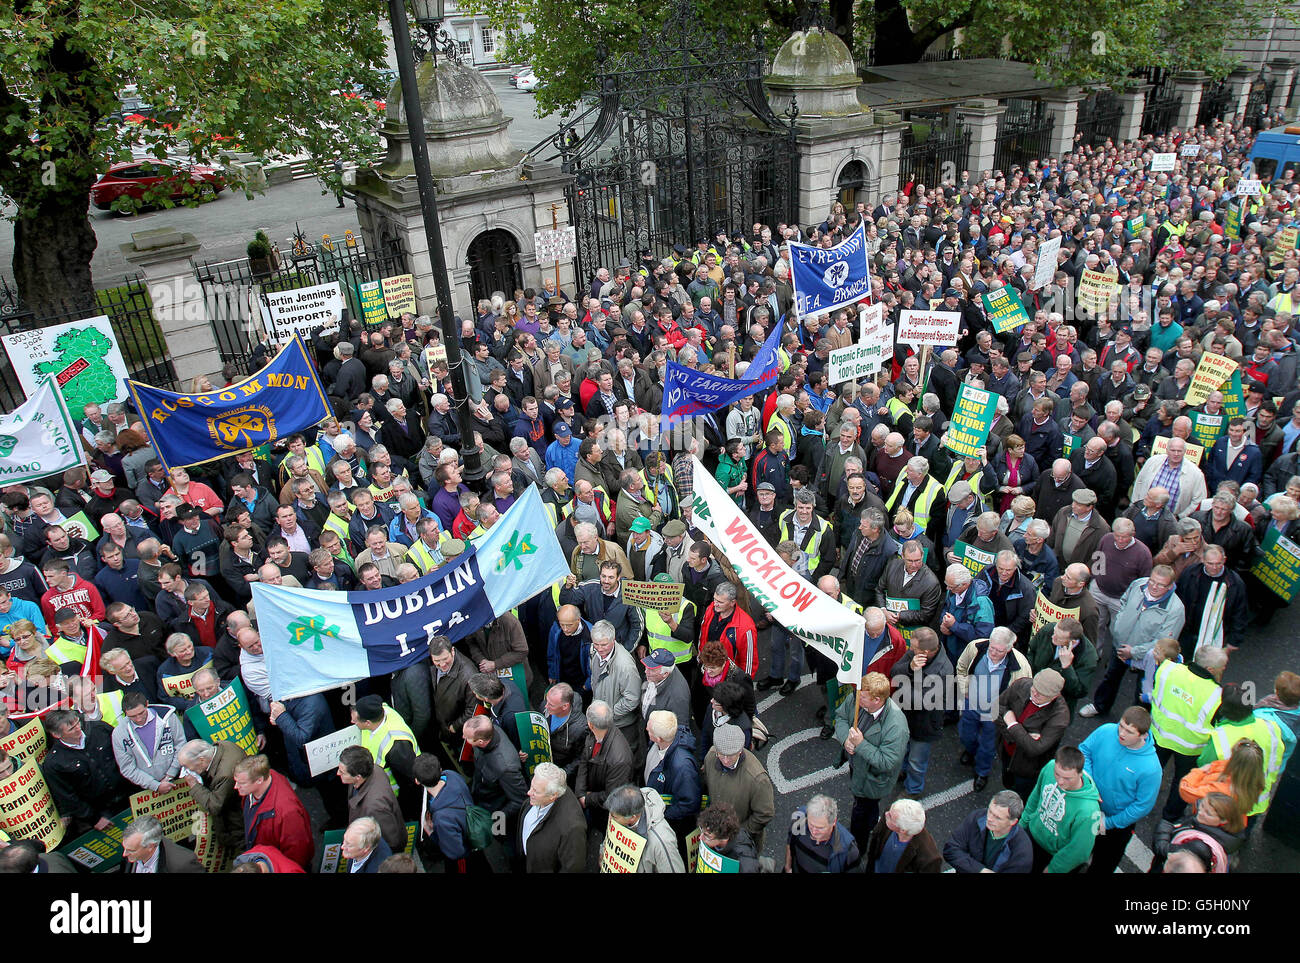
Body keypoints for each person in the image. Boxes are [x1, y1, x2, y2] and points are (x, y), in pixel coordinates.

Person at [1080, 566, 1185, 719]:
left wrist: (1134, 652)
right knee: (1110, 678)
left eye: (1161, 585)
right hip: (1120, 646)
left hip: (1148, 658)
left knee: (1142, 691)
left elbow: (1164, 642)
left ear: (1170, 586)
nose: (1154, 587)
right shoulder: (1138, 585)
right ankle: (1099, 705)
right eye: (1152, 581)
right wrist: (1118, 628)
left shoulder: (1176, 609)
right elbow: (1123, 602)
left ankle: (1134, 722)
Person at [1079, 706, 1163, 874]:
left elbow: (1142, 806)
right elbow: (1085, 750)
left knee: (1102, 865)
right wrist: (1090, 783)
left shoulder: (1151, 768)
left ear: (1144, 735)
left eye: (1129, 732)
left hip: (1114, 825)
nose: (1121, 734)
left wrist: (1107, 823)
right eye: (1121, 726)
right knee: (1075, 853)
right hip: (1087, 807)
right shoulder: (1106, 731)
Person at [834, 671, 908, 850]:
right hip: (858, 768)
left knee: (863, 811)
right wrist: (845, 740)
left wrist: (859, 745)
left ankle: (858, 847)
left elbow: (887, 761)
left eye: (864, 697)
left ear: (877, 700)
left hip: (873, 780)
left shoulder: (896, 727)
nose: (858, 698)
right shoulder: (857, 698)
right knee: (861, 805)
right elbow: (841, 717)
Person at [956, 626, 1032, 791]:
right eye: (991, 648)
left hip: (995, 712)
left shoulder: (1021, 666)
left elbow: (1023, 695)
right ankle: (970, 750)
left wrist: (1006, 713)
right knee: (965, 733)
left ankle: (982, 772)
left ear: (1009, 648)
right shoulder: (975, 648)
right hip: (972, 704)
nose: (993, 653)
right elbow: (961, 668)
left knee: (988, 745)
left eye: (998, 651)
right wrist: (965, 690)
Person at [43, 709, 130, 838]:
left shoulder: (99, 729)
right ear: (56, 734)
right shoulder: (54, 763)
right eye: (71, 729)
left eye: (78, 723)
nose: (78, 728)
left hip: (129, 793)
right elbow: (67, 797)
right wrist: (94, 819)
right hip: (101, 812)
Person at [889, 626, 953, 796]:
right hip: (906, 715)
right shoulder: (915, 655)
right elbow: (894, 672)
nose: (910, 649)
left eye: (914, 648)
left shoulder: (943, 670)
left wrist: (906, 682)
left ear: (926, 651)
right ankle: (902, 772)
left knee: (917, 760)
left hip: (925, 723)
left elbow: (922, 702)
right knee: (903, 748)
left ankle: (914, 790)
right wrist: (910, 667)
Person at [1021, 746, 1101, 873]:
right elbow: (1036, 796)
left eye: (1067, 778)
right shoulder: (1050, 767)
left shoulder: (1090, 811)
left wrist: (1054, 868)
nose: (1060, 782)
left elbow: (1080, 850)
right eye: (1057, 774)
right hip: (1030, 836)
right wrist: (1022, 824)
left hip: (1051, 855)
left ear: (1080, 774)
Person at [995, 668, 1071, 800]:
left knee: (1020, 796)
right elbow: (996, 708)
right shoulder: (1023, 685)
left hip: (1027, 768)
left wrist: (1012, 723)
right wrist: (1022, 736)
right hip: (1006, 750)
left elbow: (1034, 749)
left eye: (1041, 694)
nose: (1034, 694)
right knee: (1006, 781)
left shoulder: (1059, 717)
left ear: (1054, 696)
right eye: (1034, 688)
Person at [233, 754, 315, 871]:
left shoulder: (287, 812)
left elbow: (298, 852)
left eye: (241, 783)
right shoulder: (260, 782)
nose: (236, 787)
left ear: (259, 780)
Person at [700, 723, 775, 849]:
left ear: (740, 751)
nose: (725, 759)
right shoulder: (711, 757)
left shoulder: (757, 779)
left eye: (731, 755)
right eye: (721, 753)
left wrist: (736, 835)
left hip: (740, 843)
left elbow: (764, 814)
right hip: (715, 834)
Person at [644, 709, 701, 849]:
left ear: (659, 739)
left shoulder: (683, 767)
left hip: (671, 826)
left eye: (649, 729)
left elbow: (689, 803)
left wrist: (663, 817)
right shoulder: (659, 743)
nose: (646, 728)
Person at [574, 699, 633, 831]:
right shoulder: (595, 734)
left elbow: (612, 795)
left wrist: (587, 799)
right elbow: (585, 760)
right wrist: (580, 792)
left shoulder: (619, 759)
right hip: (591, 795)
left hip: (604, 811)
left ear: (590, 724)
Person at [176, 738, 246, 850]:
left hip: (237, 823)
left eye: (187, 767)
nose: (186, 770)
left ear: (201, 760)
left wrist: (194, 785)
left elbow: (215, 805)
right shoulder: (224, 745)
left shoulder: (225, 775)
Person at [518, 761, 587, 873]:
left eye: (536, 791)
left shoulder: (572, 828)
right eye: (532, 786)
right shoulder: (545, 792)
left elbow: (572, 868)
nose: (529, 793)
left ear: (553, 796)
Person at [412, 753, 474, 875]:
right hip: (470, 829)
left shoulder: (442, 819)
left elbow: (455, 852)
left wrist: (431, 832)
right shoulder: (451, 775)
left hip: (463, 856)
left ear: (417, 781)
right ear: (440, 770)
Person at [943, 790, 1033, 873]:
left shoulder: (1022, 853)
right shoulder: (977, 818)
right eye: (990, 811)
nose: (989, 818)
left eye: (997, 817)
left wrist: (968, 865)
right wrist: (980, 870)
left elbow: (955, 853)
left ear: (1013, 822)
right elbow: (950, 850)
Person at [111, 690, 185, 792]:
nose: (138, 719)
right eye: (132, 716)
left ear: (147, 704)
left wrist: (170, 774)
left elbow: (181, 745)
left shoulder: (168, 717)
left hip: (178, 777)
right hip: (145, 787)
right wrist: (155, 785)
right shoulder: (119, 733)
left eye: (141, 713)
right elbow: (127, 767)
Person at [337, 745, 406, 853]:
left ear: (358, 777)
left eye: (342, 772)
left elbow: (391, 840)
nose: (338, 773)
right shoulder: (374, 769)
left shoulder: (374, 806)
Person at [604, 784, 685, 873]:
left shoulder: (661, 842)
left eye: (614, 817)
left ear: (632, 818)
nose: (611, 819)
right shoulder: (618, 812)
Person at [785, 793, 859, 873]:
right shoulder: (800, 818)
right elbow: (790, 841)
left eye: (820, 828)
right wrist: (788, 866)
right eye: (811, 825)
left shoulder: (848, 850)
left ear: (833, 822)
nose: (813, 831)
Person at [865, 798, 942, 874]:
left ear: (903, 830)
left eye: (890, 817)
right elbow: (876, 836)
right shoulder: (892, 812)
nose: (886, 814)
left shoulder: (930, 860)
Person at [121, 814, 204, 874]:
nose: (124, 854)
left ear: (150, 846)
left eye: (131, 850)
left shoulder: (183, 864)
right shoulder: (131, 849)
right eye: (125, 848)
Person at [695, 801, 761, 873]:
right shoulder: (711, 842)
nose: (700, 838)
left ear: (723, 838)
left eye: (707, 836)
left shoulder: (745, 863)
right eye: (702, 831)